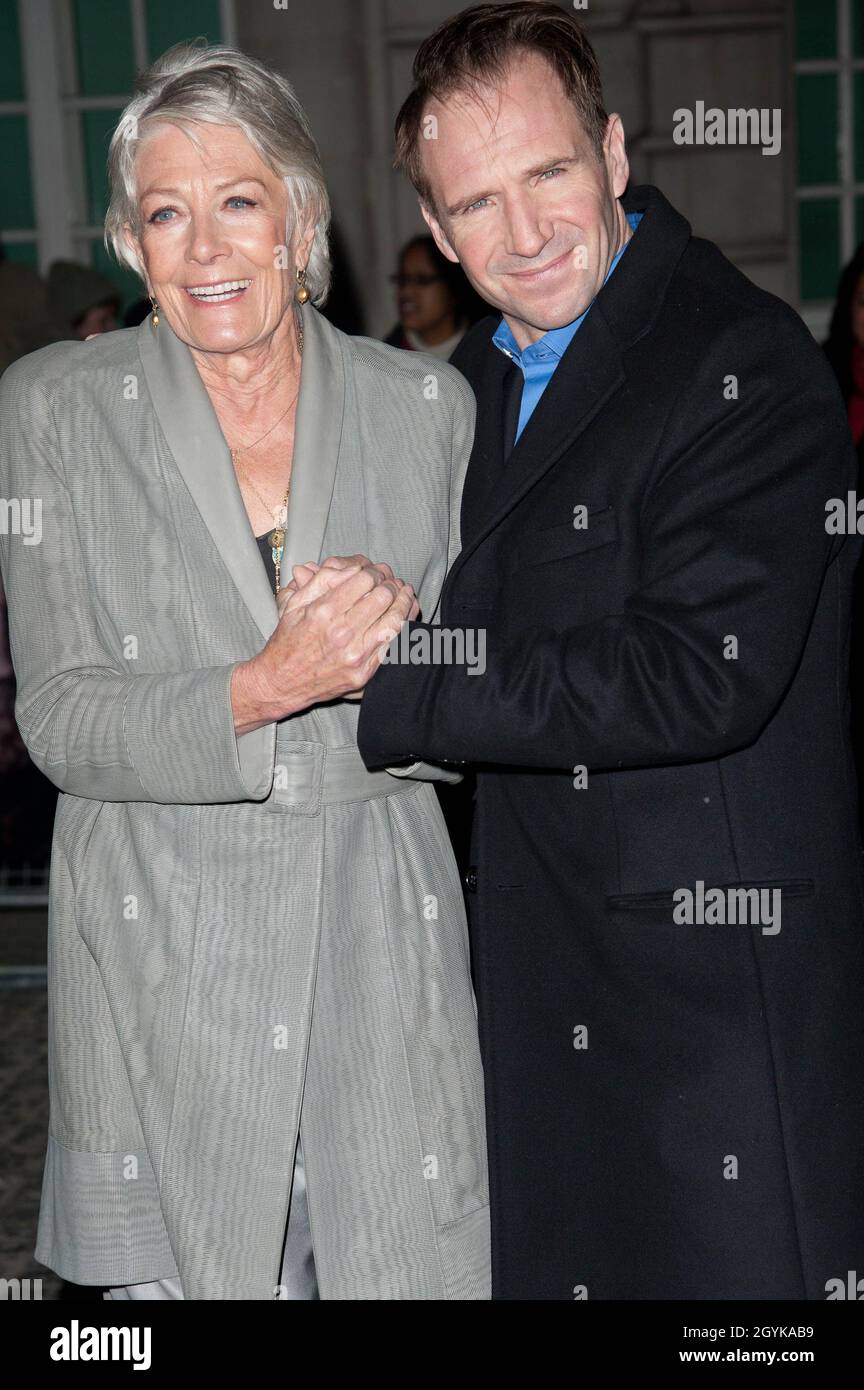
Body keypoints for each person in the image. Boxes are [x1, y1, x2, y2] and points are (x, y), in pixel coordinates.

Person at [342, 2, 864, 1298]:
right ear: (434, 223)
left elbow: (700, 674)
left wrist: (403, 679)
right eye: (472, 206)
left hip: (706, 1013)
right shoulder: (465, 384)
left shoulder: (737, 359)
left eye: (549, 175)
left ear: (616, 153)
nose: (520, 235)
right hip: (542, 983)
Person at [0, 42, 489, 1301]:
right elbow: (56, 718)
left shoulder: (429, 406)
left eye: (238, 202)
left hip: (382, 946)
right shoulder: (52, 409)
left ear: (300, 220)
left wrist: (404, 660)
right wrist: (266, 684)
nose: (205, 247)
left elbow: (475, 711)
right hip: (166, 958)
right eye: (166, 212)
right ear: (129, 238)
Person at [384, 234, 482, 357]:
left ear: (453, 286)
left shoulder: (488, 351)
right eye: (403, 280)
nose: (406, 291)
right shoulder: (386, 358)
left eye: (422, 280)